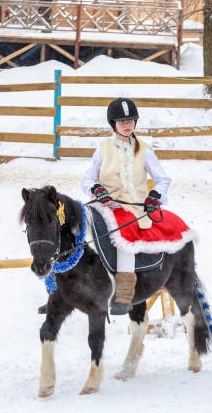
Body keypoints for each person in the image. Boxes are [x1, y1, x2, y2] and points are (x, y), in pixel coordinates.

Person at [81, 97, 191, 315]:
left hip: (134, 209)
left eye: (131, 120)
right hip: (106, 206)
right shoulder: (102, 149)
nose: (127, 124)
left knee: (125, 239)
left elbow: (163, 180)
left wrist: (154, 197)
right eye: (122, 121)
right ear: (113, 123)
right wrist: (96, 189)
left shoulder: (145, 150)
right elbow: (87, 179)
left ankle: (123, 294)